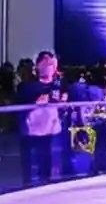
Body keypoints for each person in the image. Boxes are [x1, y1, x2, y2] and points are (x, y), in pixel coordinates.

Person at [16, 51, 68, 185]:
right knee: (33, 177)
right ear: (37, 66)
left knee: (53, 173)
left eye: (51, 64)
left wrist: (63, 102)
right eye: (45, 63)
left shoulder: (59, 86)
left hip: (54, 133)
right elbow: (20, 107)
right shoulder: (27, 87)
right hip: (33, 135)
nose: (48, 67)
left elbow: (63, 106)